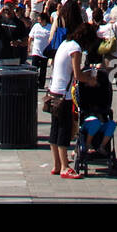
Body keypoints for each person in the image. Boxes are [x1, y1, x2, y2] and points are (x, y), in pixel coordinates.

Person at [48, 23, 87, 178]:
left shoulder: (64, 44)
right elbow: (77, 75)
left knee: (55, 128)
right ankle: (65, 167)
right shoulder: (75, 49)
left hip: (53, 91)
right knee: (64, 128)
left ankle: (56, 164)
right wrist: (90, 80)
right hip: (64, 94)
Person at [0, 0, 30, 66]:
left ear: (14, 7)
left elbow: (25, 41)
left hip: (13, 58)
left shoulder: (19, 23)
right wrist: (0, 13)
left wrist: (18, 43)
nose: (9, 7)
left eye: (11, 5)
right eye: (7, 5)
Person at [27, 11, 52, 88]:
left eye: (40, 19)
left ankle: (41, 84)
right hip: (36, 51)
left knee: (43, 69)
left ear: (44, 20)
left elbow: (52, 39)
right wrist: (29, 47)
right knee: (34, 68)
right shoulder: (36, 26)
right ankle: (33, 83)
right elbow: (30, 37)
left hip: (45, 52)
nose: (39, 21)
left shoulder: (49, 27)